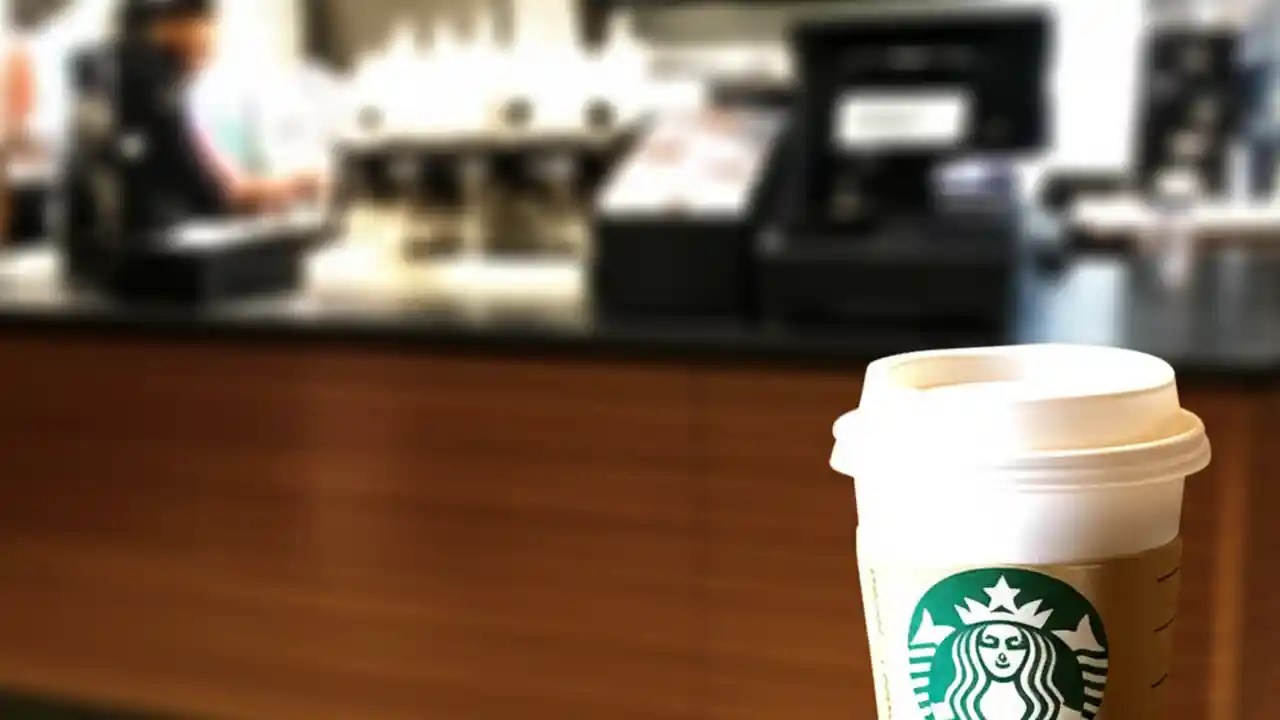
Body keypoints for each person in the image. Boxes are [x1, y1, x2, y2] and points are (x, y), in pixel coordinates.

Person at [117, 0, 319, 216]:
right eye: (197, 19)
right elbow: (221, 192)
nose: (210, 33)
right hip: (175, 235)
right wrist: (297, 186)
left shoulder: (160, 89)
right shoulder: (152, 90)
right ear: (162, 27)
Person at [939, 621, 1085, 720]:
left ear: (1033, 650)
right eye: (990, 643)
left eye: (1014, 644)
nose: (1002, 655)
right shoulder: (944, 711)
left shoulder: (1066, 713)